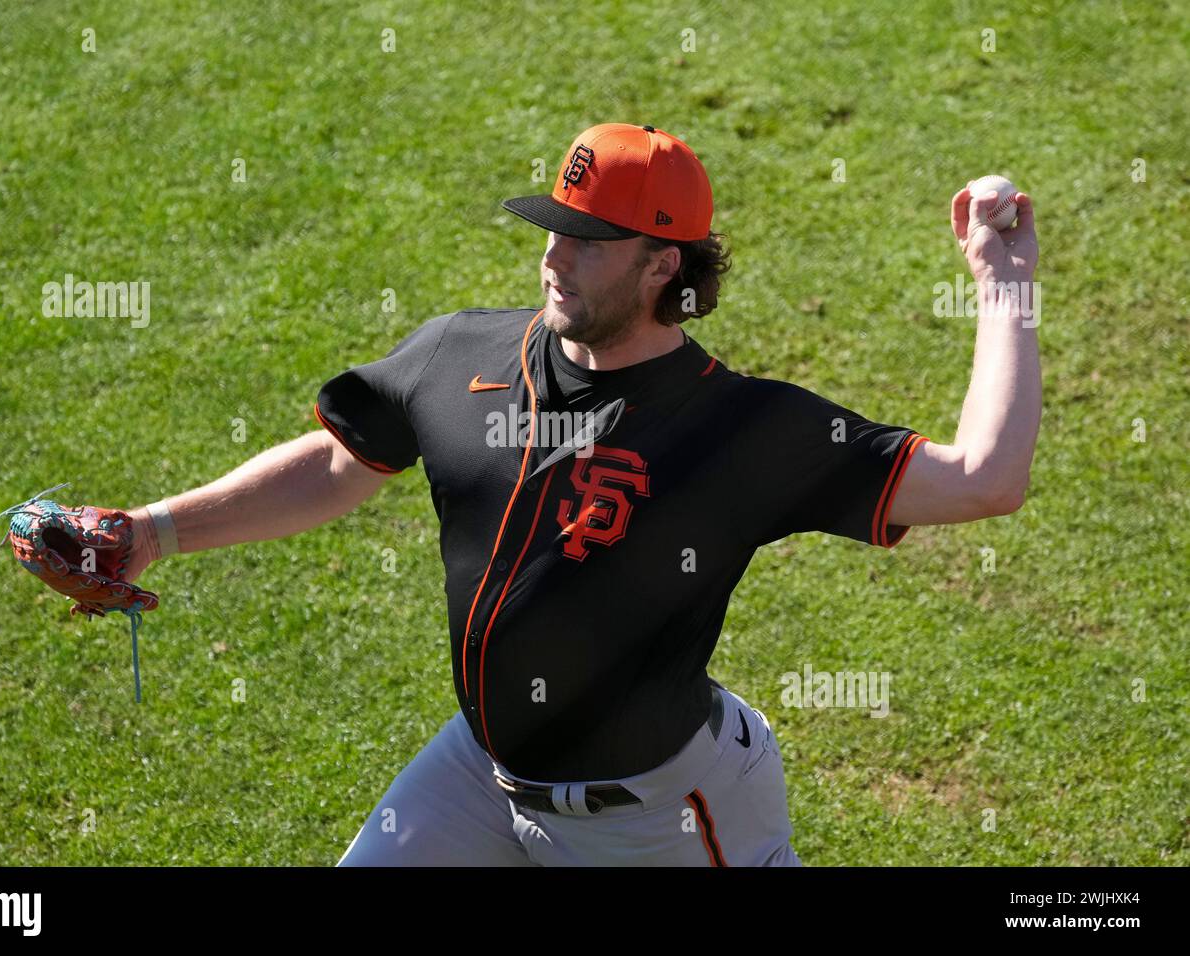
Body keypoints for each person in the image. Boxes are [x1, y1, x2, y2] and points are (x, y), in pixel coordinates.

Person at [116, 123, 1040, 865]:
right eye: (556, 226)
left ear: (663, 265)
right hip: (481, 772)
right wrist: (151, 531)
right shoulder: (461, 356)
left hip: (659, 823)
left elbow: (986, 481)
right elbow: (335, 463)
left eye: (592, 240)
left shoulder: (740, 430)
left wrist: (1005, 288)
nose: (556, 255)